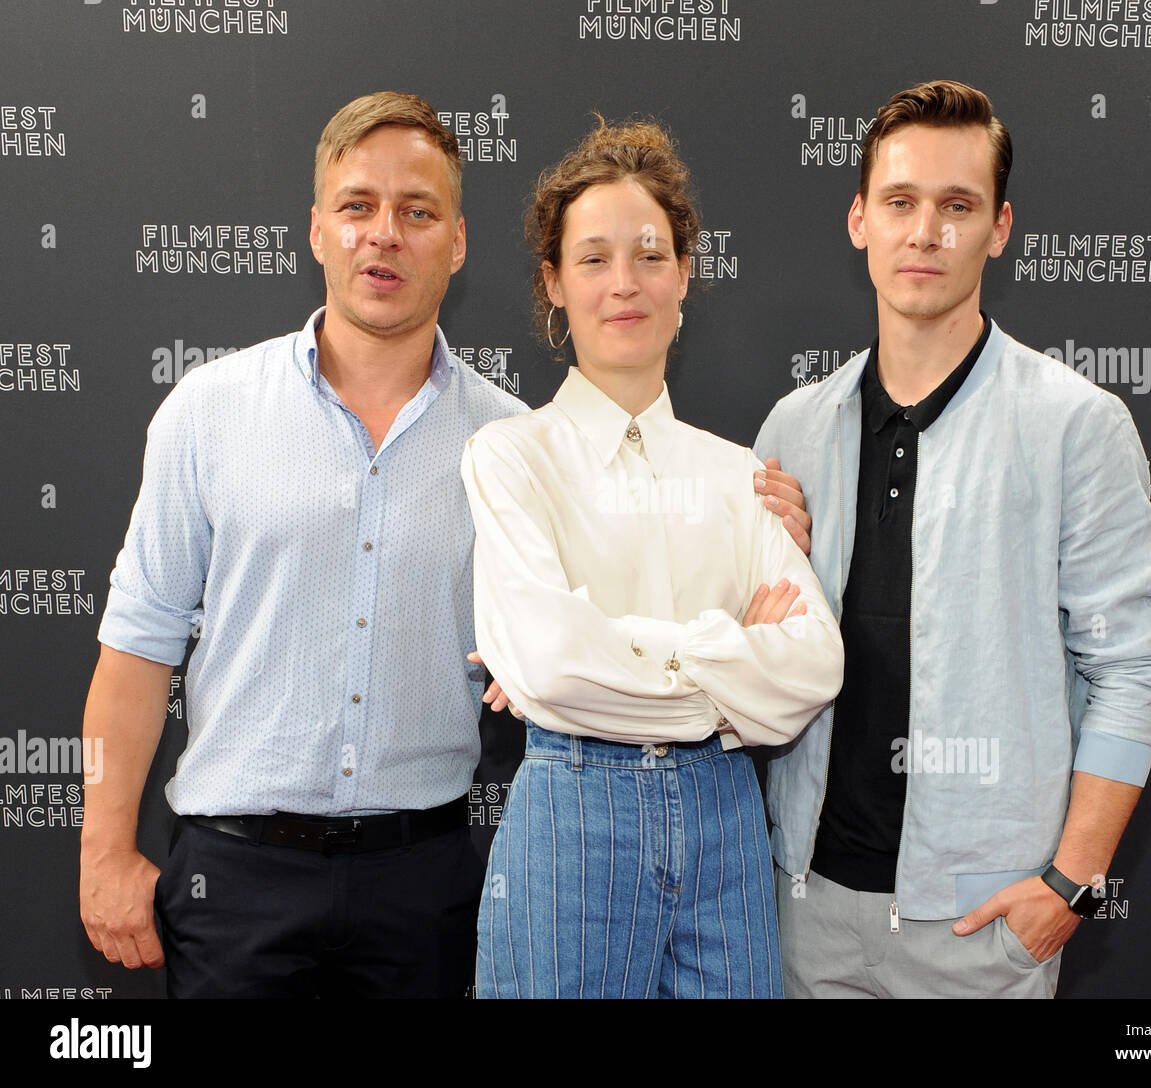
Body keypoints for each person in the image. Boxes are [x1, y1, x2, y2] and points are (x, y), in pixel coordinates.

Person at [78, 92, 528, 998]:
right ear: (317, 230)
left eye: (418, 211)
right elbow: (137, 646)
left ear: (459, 241)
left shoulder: (515, 443)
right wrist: (103, 851)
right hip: (232, 885)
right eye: (358, 206)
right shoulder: (208, 414)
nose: (384, 234)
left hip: (425, 886)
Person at [754, 80, 1151, 998]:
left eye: (958, 207)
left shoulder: (1077, 426)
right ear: (859, 218)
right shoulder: (791, 429)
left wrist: (1071, 884)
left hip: (984, 931)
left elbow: (1136, 665)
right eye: (901, 203)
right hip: (807, 910)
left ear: (1000, 227)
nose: (926, 232)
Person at [460, 118, 844, 999]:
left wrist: (617, 643)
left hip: (725, 820)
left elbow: (814, 663)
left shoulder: (742, 473)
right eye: (592, 259)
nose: (624, 283)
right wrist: (726, 652)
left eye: (650, 255)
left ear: (685, 275)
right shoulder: (509, 458)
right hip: (573, 816)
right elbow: (553, 667)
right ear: (553, 284)